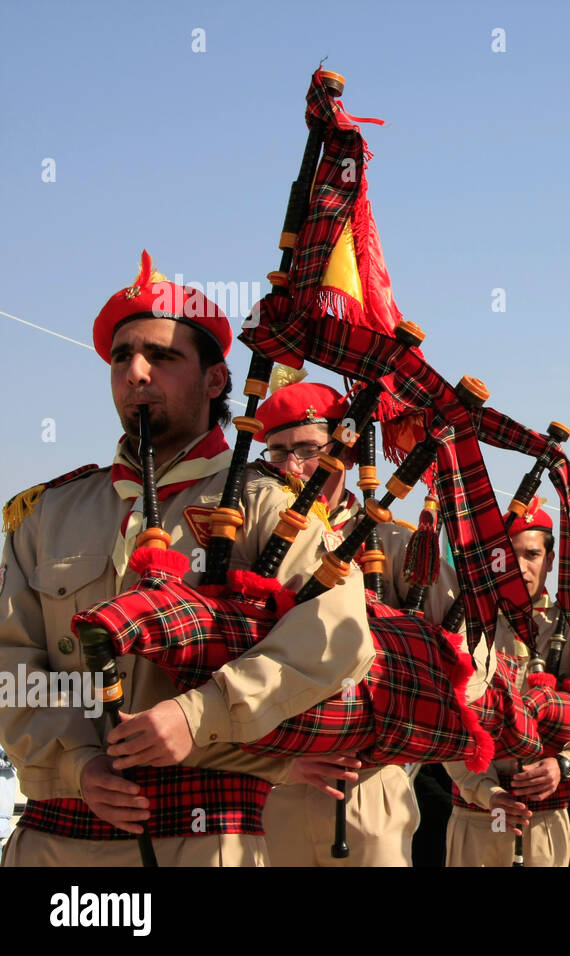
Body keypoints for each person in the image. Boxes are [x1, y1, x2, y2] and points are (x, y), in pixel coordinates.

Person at [0, 251, 373, 866]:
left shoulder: (267, 508)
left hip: (201, 839)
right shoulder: (48, 513)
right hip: (56, 839)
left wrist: (202, 713)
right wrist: (76, 761)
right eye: (122, 357)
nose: (136, 372)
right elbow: (12, 657)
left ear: (215, 380)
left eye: (161, 356)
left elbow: (335, 634)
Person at [251, 376, 457, 866]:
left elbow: (457, 658)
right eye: (277, 453)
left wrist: (398, 733)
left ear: (343, 451)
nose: (293, 467)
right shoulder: (249, 542)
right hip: (267, 784)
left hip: (370, 787)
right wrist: (278, 756)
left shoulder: (394, 546)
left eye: (307, 448)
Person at [443, 497, 570, 867]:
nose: (521, 567)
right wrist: (486, 790)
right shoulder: (466, 627)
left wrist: (567, 763)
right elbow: (448, 716)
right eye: (509, 556)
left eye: (532, 555)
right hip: (478, 815)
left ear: (550, 560)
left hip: (546, 818)